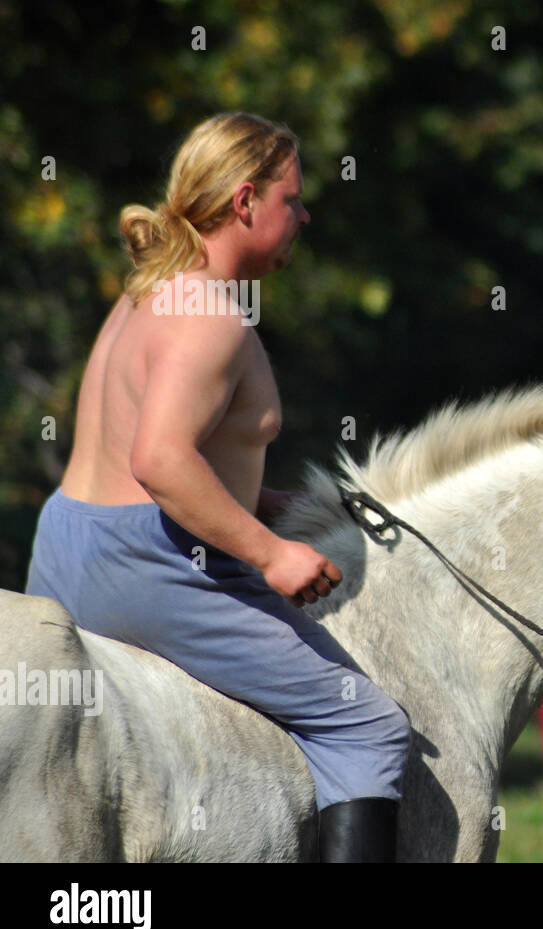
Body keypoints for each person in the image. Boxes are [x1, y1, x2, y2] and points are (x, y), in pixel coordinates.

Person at [24, 112, 411, 862]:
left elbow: (147, 453)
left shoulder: (149, 290)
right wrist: (270, 552)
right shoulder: (210, 316)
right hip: (146, 566)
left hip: (66, 539)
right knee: (366, 723)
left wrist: (261, 505)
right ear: (244, 202)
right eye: (291, 199)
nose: (303, 214)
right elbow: (162, 461)